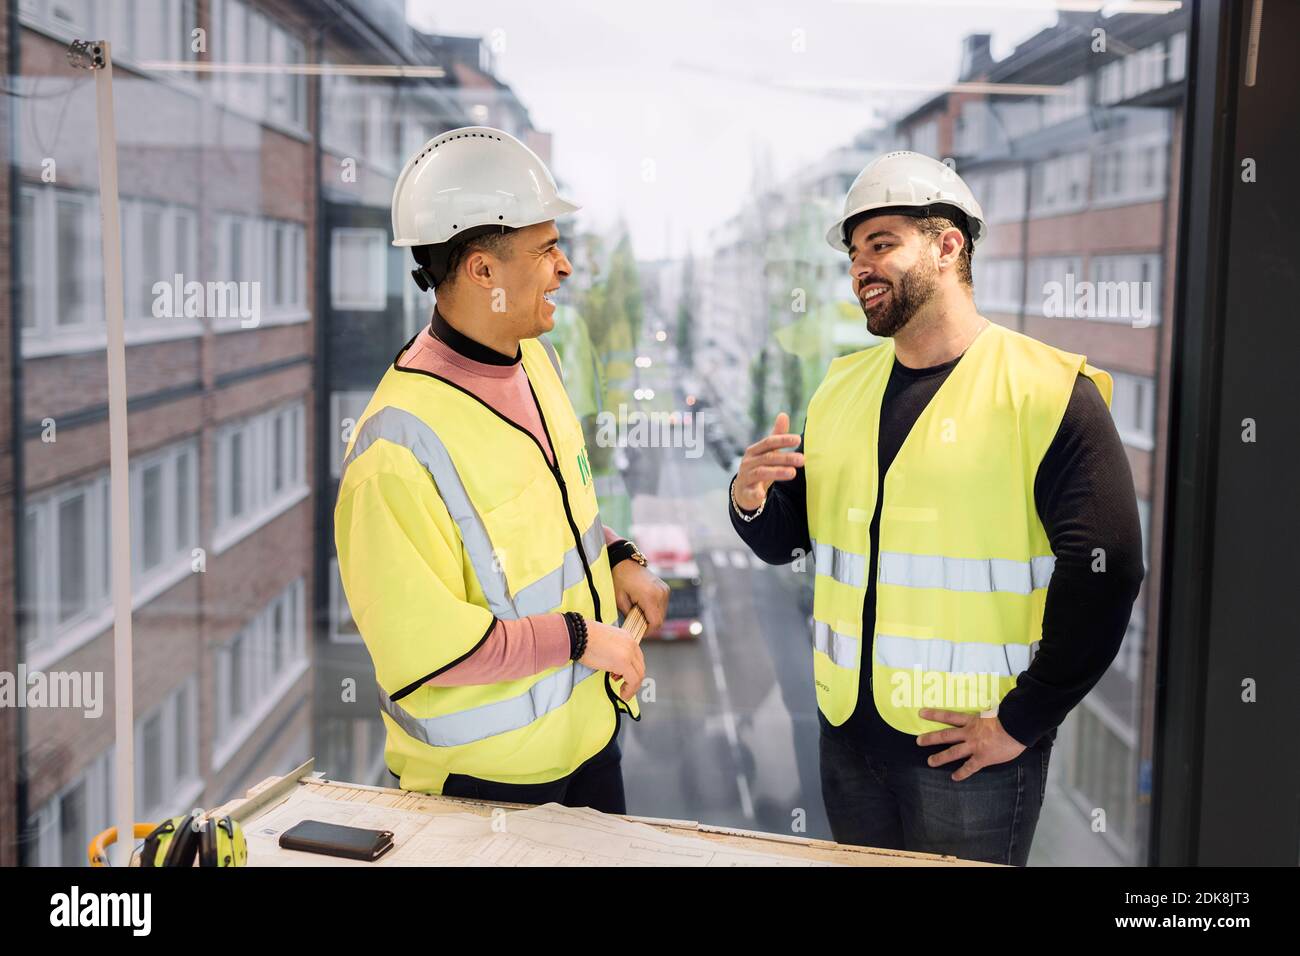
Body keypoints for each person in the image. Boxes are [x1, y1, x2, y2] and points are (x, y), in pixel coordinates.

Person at [729, 151, 1144, 864]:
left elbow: (1109, 572)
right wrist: (749, 503)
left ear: (948, 245)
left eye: (882, 244)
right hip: (847, 740)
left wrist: (1024, 721)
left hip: (970, 756)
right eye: (855, 253)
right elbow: (791, 540)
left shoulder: (1047, 392)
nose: (861, 267)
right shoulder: (841, 387)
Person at [335, 126, 668, 812]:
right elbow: (428, 652)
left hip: (588, 746)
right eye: (547, 250)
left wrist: (618, 559)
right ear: (482, 271)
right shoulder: (394, 450)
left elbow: (550, 523)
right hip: (486, 792)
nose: (565, 268)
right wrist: (580, 639)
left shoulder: (532, 360)